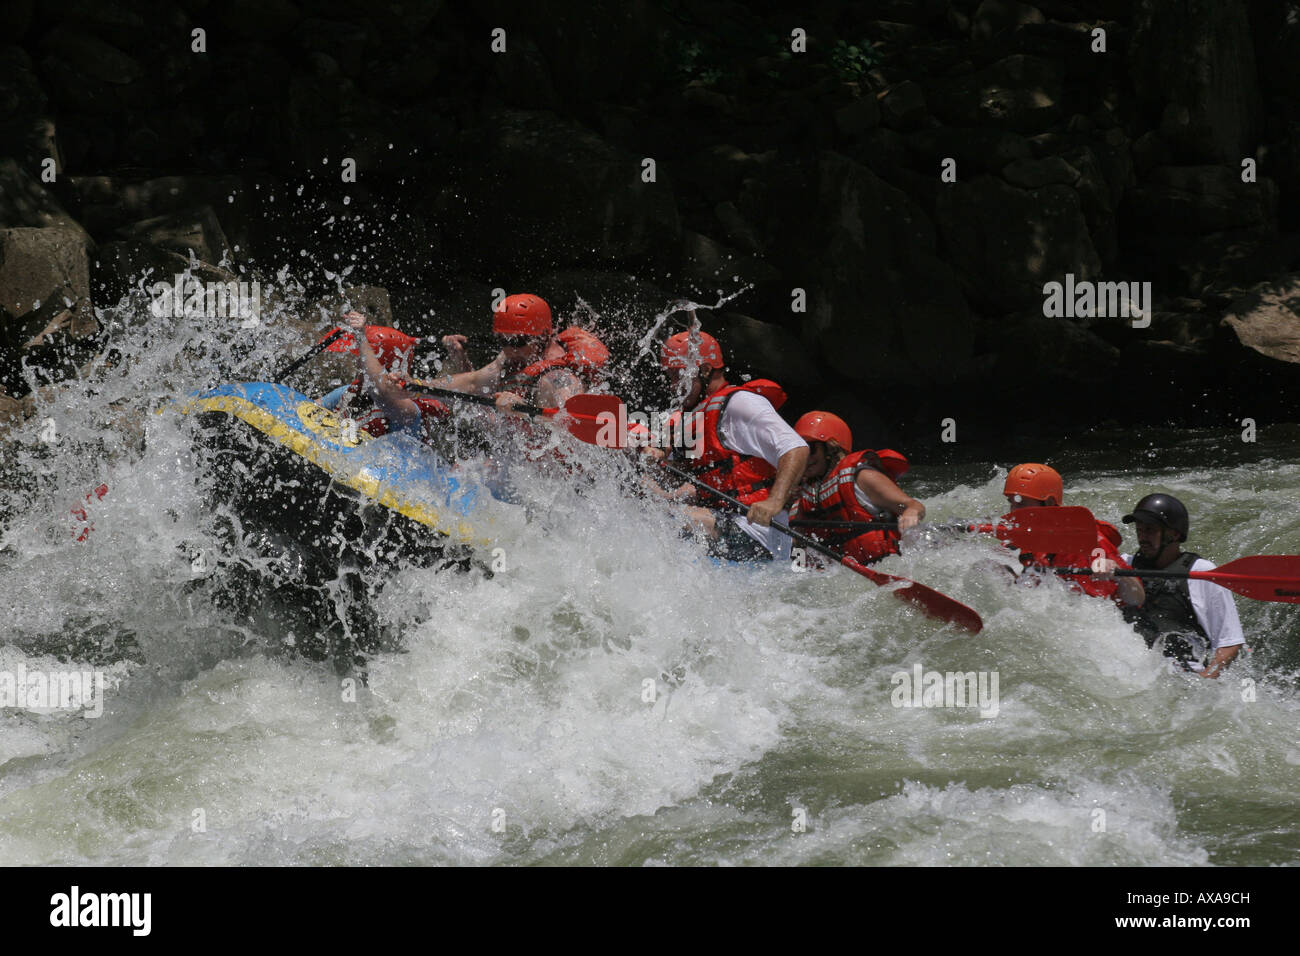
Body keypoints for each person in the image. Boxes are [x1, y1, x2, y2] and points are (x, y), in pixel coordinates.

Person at [656, 327, 808, 561]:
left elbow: (795, 447)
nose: (672, 385)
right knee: (646, 507)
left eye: (678, 375)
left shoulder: (739, 403)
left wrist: (774, 501)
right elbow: (679, 481)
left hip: (759, 535)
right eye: (670, 377)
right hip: (723, 521)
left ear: (705, 370)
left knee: (664, 518)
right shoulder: (694, 417)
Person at [1119, 493, 1244, 678]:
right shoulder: (1123, 566)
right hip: (1134, 674)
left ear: (1174, 534)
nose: (1142, 538)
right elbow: (1095, 553)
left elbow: (1230, 643)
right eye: (1139, 530)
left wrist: (1205, 683)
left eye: (1150, 530)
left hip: (1186, 677)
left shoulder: (1202, 573)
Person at [787, 411, 923, 565]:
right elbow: (798, 556)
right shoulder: (801, 502)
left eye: (810, 449)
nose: (805, 458)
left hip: (889, 563)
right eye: (799, 452)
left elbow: (913, 505)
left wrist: (910, 513)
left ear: (830, 448)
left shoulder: (861, 477)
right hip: (842, 578)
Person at [999, 463, 1144, 607]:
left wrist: (1118, 573)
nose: (1013, 511)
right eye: (1011, 503)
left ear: (1048, 503)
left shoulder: (1090, 540)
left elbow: (1138, 598)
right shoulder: (1026, 539)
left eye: (1021, 503)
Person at [434, 293, 609, 412]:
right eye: (503, 341)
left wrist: (522, 410)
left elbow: (567, 424)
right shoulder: (509, 358)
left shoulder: (559, 377)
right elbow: (472, 383)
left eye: (519, 341)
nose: (510, 349)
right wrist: (415, 385)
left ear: (543, 337)